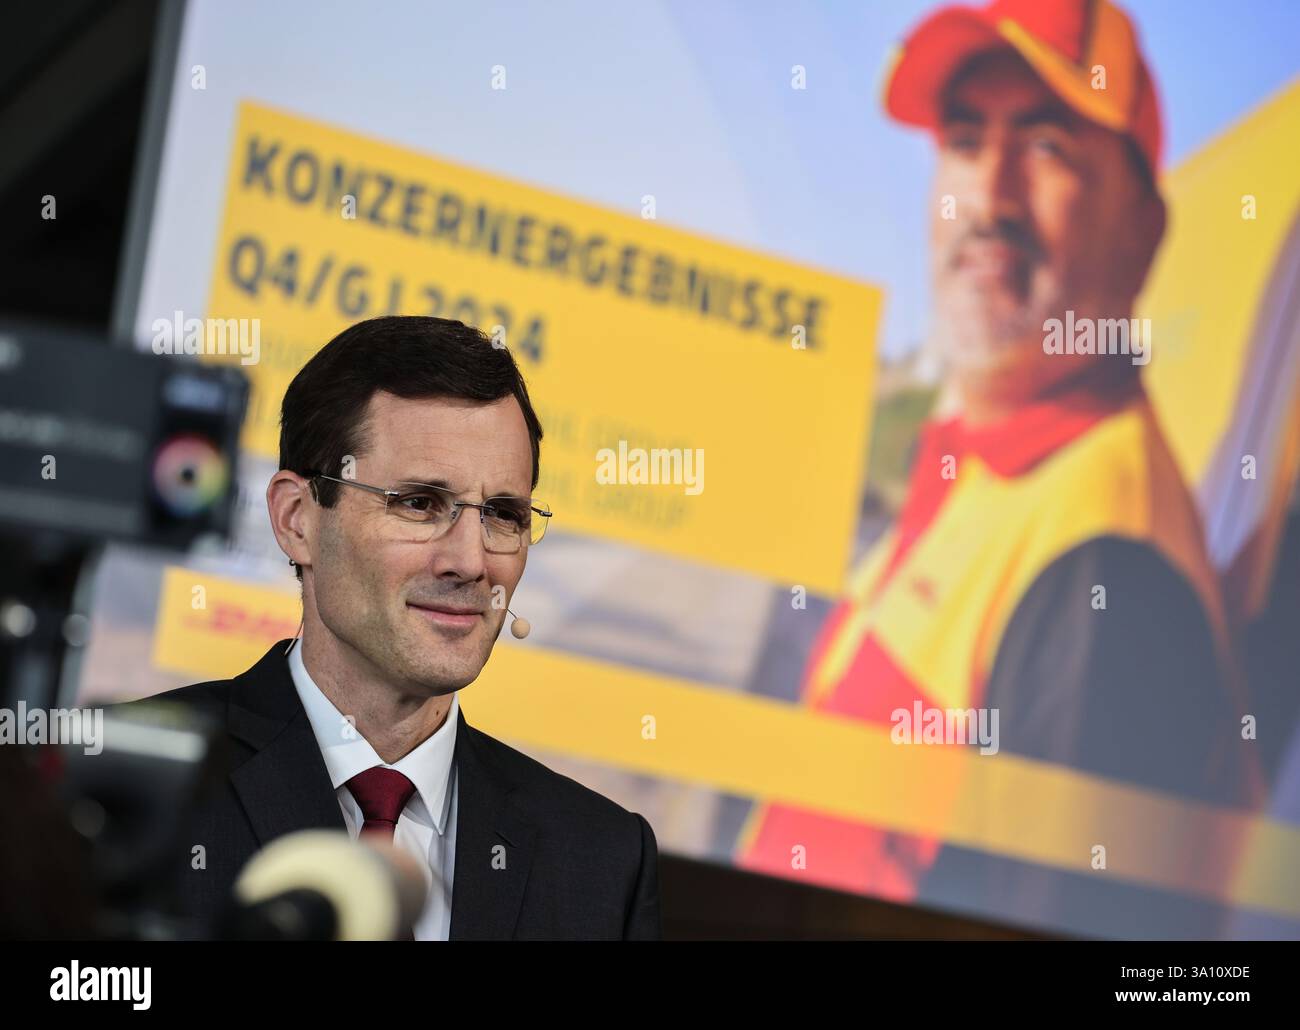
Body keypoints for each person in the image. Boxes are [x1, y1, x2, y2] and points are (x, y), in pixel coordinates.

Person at [736, 0, 1263, 938]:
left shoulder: (1106, 575)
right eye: (966, 140)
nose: (988, 198)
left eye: (1049, 146)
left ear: (1144, 230)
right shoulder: (982, 471)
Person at [129, 315, 661, 940]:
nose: (470, 561)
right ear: (298, 520)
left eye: (503, 514)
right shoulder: (138, 786)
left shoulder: (601, 862)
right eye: (419, 504)